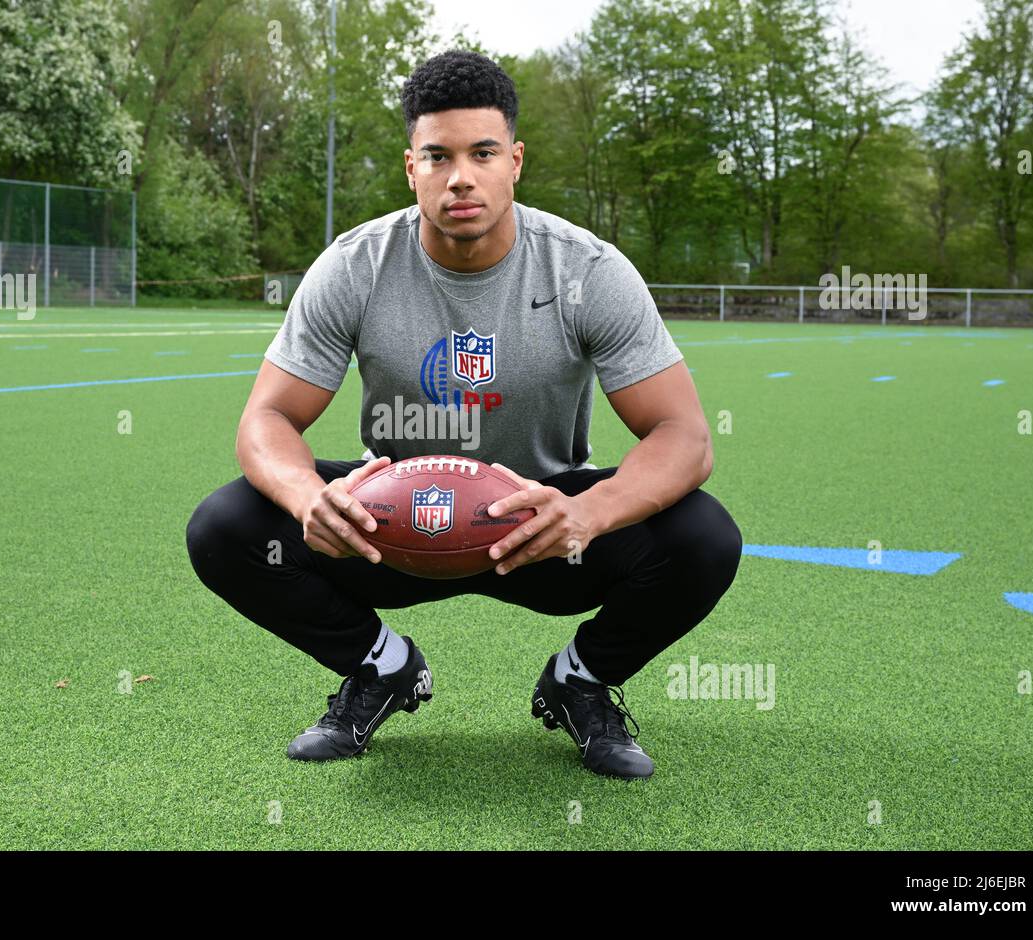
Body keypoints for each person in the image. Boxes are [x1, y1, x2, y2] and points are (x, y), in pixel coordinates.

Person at [186, 50, 742, 779]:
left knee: (703, 536)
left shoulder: (588, 270)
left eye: (482, 153)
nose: (461, 177)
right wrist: (309, 499)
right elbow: (265, 420)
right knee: (225, 527)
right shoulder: (355, 265)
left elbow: (685, 436)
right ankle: (378, 667)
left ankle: (581, 679)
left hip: (539, 526)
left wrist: (588, 514)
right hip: (390, 526)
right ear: (410, 167)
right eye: (438, 156)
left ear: (515, 161)